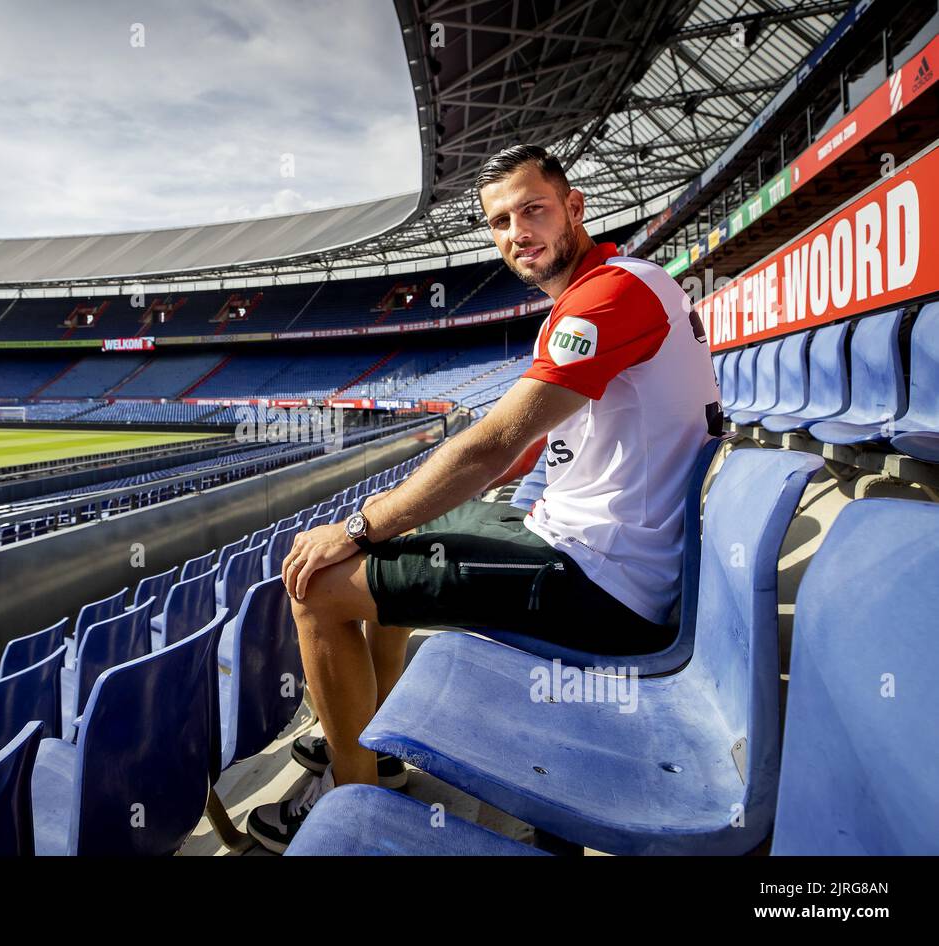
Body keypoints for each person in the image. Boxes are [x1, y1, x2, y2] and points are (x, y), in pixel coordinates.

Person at [246, 143, 722, 853]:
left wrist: (360, 523)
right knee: (395, 542)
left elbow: (497, 444)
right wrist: (397, 519)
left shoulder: (610, 296)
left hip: (604, 582)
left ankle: (353, 804)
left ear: (576, 208)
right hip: (591, 545)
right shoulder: (613, 289)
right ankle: (374, 745)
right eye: (500, 221)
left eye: (532, 209)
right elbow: (524, 445)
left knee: (318, 585)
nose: (516, 232)